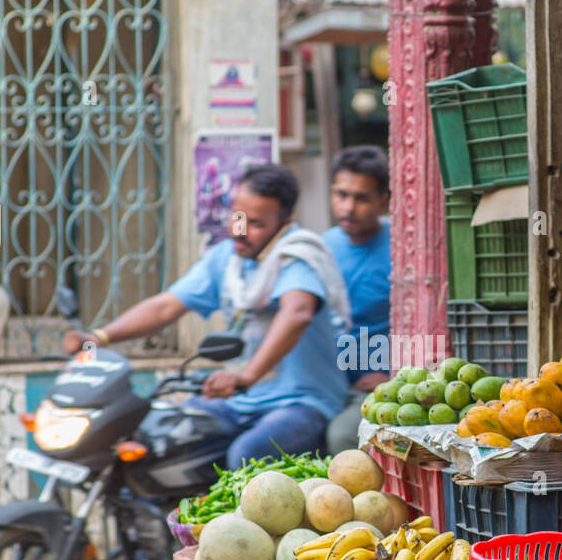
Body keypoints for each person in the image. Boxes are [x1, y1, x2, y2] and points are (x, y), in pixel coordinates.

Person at [63, 163, 350, 467]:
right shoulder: (227, 259)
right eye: (237, 217)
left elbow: (297, 313)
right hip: (238, 400)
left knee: (246, 455)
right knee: (157, 438)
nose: (240, 230)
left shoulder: (297, 257)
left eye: (256, 223)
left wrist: (245, 376)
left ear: (284, 223)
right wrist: (99, 337)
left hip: (302, 402)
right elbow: (166, 306)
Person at [321, 146, 393, 453]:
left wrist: (392, 373)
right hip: (326, 384)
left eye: (361, 198)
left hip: (375, 386)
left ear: (383, 202)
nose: (348, 207)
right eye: (341, 194)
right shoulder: (321, 246)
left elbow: (431, 321)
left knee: (341, 437)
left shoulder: (402, 249)